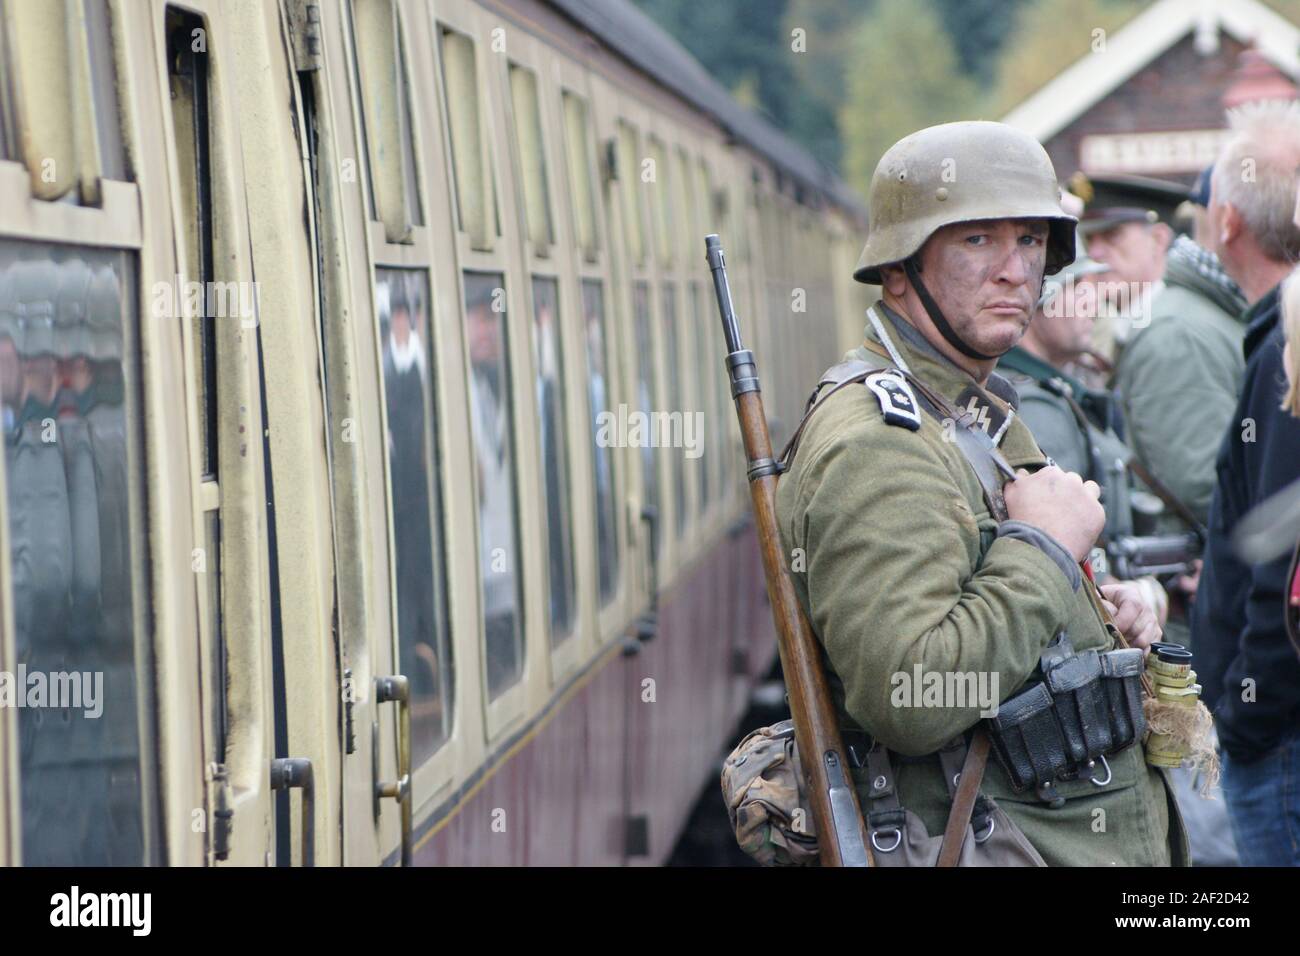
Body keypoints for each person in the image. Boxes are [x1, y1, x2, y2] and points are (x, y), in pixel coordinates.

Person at [776, 121, 1186, 866]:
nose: (1014, 270)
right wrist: (1042, 553)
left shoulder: (965, 408)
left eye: (1030, 240)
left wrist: (1089, 615)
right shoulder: (879, 440)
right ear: (899, 268)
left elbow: (987, 599)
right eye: (976, 241)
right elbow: (910, 692)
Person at [1191, 99, 1300, 867]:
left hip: (1283, 746)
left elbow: (1282, 567)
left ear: (1227, 220)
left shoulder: (1286, 358)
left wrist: (1243, 715)